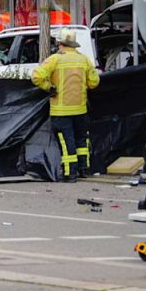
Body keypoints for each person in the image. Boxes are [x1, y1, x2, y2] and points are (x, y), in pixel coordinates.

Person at [32, 28, 100, 182]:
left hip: (61, 111)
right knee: (81, 139)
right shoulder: (84, 60)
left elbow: (36, 76)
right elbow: (94, 82)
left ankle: (71, 173)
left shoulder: (55, 59)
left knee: (67, 141)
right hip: (80, 108)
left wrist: (49, 87)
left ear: (59, 43)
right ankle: (84, 168)